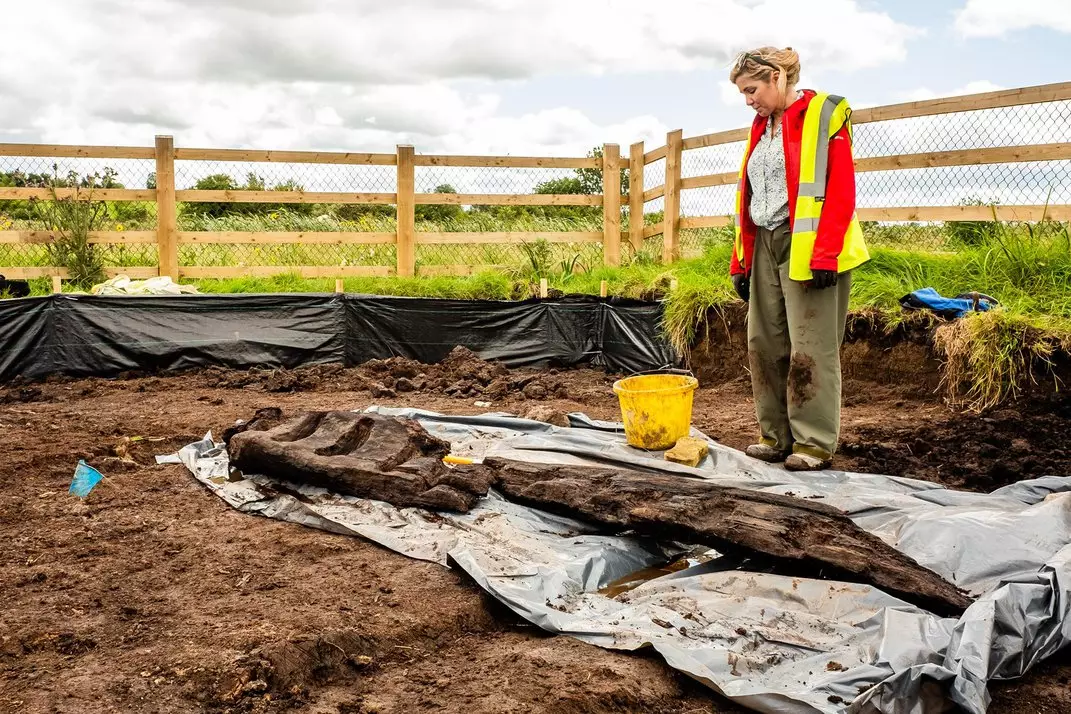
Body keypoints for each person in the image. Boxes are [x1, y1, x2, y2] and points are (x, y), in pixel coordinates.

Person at [728, 46, 870, 471]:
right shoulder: (761, 127)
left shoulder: (825, 113)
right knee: (764, 342)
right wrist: (741, 262)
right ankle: (775, 436)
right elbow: (748, 197)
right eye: (743, 93)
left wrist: (825, 253)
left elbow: (841, 187)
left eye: (752, 89)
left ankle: (812, 444)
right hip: (766, 244)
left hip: (809, 246)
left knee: (811, 346)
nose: (748, 99)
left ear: (776, 77)